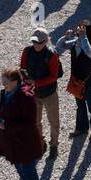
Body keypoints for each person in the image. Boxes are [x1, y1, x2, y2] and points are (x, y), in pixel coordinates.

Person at [0, 68, 46, 180]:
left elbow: (29, 122)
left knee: (28, 168)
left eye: (5, 81)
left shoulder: (26, 97)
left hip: (25, 140)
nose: (2, 84)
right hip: (12, 139)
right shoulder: (5, 93)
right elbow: (2, 108)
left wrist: (6, 124)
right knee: (17, 164)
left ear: (15, 82)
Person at [20, 27, 62, 158]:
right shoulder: (27, 52)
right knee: (35, 122)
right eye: (34, 42)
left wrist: (35, 83)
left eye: (39, 42)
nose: (36, 45)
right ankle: (40, 143)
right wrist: (25, 80)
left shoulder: (52, 55)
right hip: (33, 94)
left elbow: (54, 76)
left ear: (46, 42)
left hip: (49, 94)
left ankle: (54, 144)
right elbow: (22, 68)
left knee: (54, 122)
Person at [57, 21, 91, 140]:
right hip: (76, 80)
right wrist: (65, 37)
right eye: (78, 31)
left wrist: (83, 38)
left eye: (81, 31)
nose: (78, 33)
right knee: (80, 105)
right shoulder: (75, 43)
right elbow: (60, 46)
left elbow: (89, 53)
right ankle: (82, 128)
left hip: (89, 81)